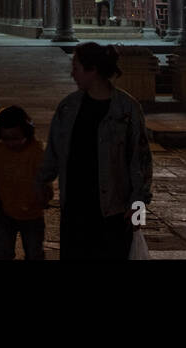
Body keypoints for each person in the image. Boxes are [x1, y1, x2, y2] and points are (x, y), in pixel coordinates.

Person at [37, 43, 153, 260]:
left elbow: (140, 158)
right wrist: (43, 182)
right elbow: (53, 150)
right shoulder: (68, 107)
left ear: (93, 70)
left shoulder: (126, 109)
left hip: (112, 210)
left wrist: (138, 201)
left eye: (76, 68)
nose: (72, 74)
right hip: (75, 207)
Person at [0, 105, 50, 260]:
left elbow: (44, 178)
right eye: (6, 138)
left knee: (34, 251)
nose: (11, 143)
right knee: (3, 251)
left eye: (16, 138)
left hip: (32, 214)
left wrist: (44, 196)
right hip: (5, 211)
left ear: (26, 133)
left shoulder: (36, 153)